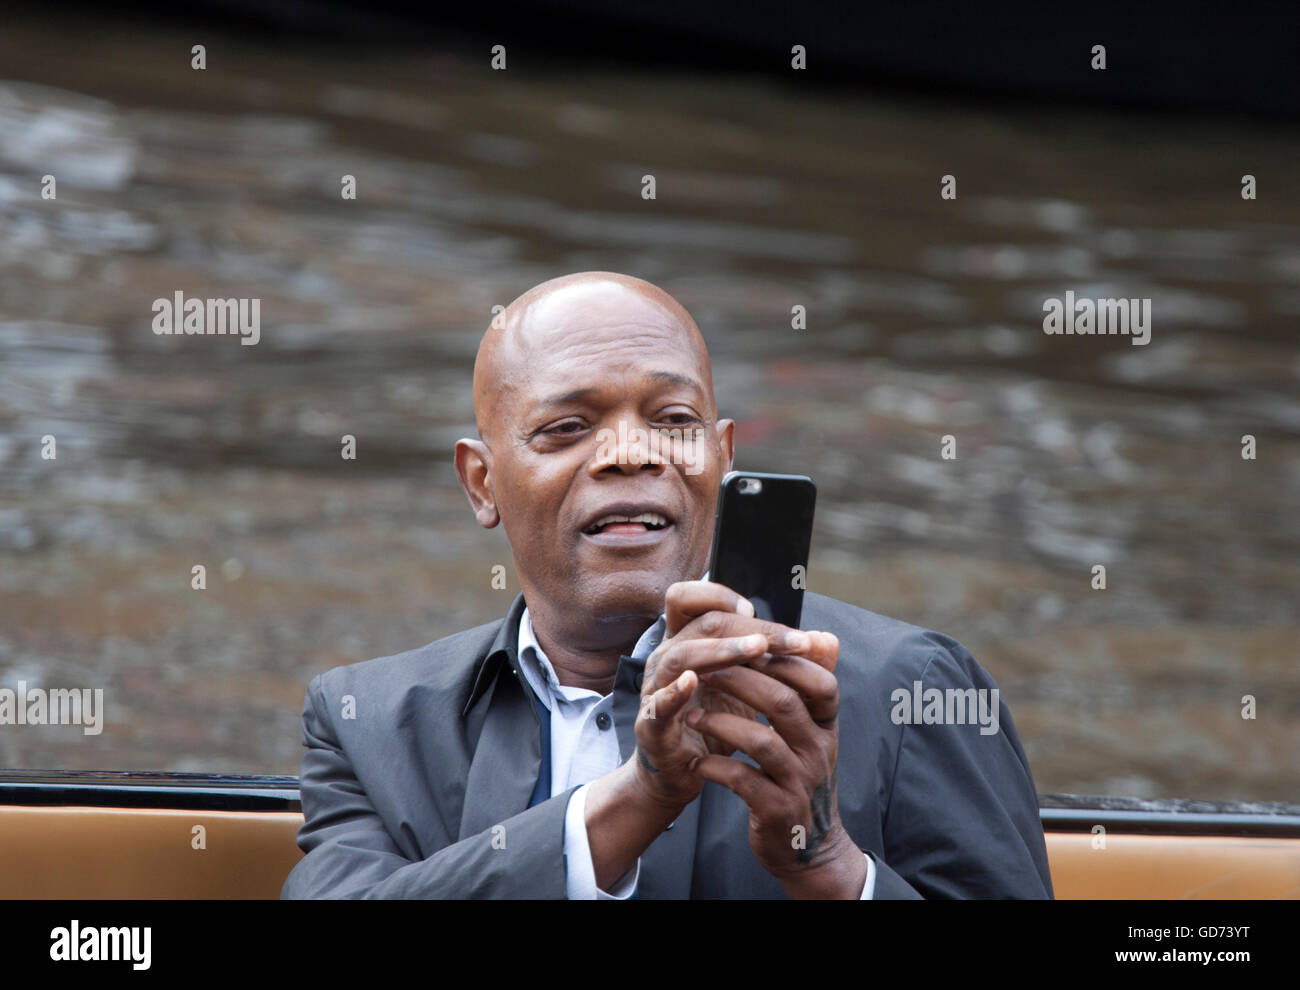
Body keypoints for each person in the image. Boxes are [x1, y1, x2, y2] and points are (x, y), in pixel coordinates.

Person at [281, 272, 1053, 899]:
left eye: (673, 419)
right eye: (567, 428)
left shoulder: (908, 690)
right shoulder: (370, 722)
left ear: (720, 457)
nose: (629, 452)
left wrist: (829, 868)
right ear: (481, 483)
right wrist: (641, 797)